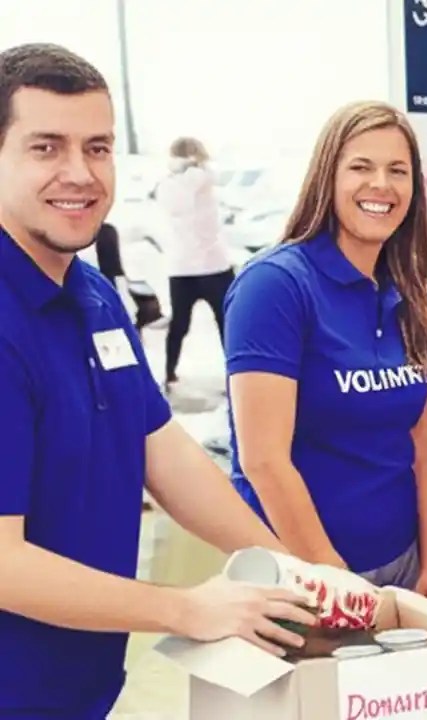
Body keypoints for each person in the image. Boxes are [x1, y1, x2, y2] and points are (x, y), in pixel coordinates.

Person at [0, 43, 314, 718]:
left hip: (80, 687)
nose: (80, 173)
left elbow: (159, 447)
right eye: (46, 147)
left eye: (98, 147)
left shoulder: (94, 296)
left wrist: (291, 568)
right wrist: (186, 607)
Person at [222, 102, 427, 603]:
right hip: (302, 581)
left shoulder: (406, 294)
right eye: (361, 167)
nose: (381, 185)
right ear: (327, 176)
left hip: (402, 568)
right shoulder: (275, 286)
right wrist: (334, 579)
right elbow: (263, 460)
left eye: (398, 171)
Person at [152, 136, 235, 388]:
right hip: (214, 266)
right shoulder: (204, 177)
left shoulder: (166, 186)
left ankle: (169, 373)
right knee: (228, 324)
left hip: (181, 268)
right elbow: (208, 175)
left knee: (179, 324)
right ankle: (237, 375)